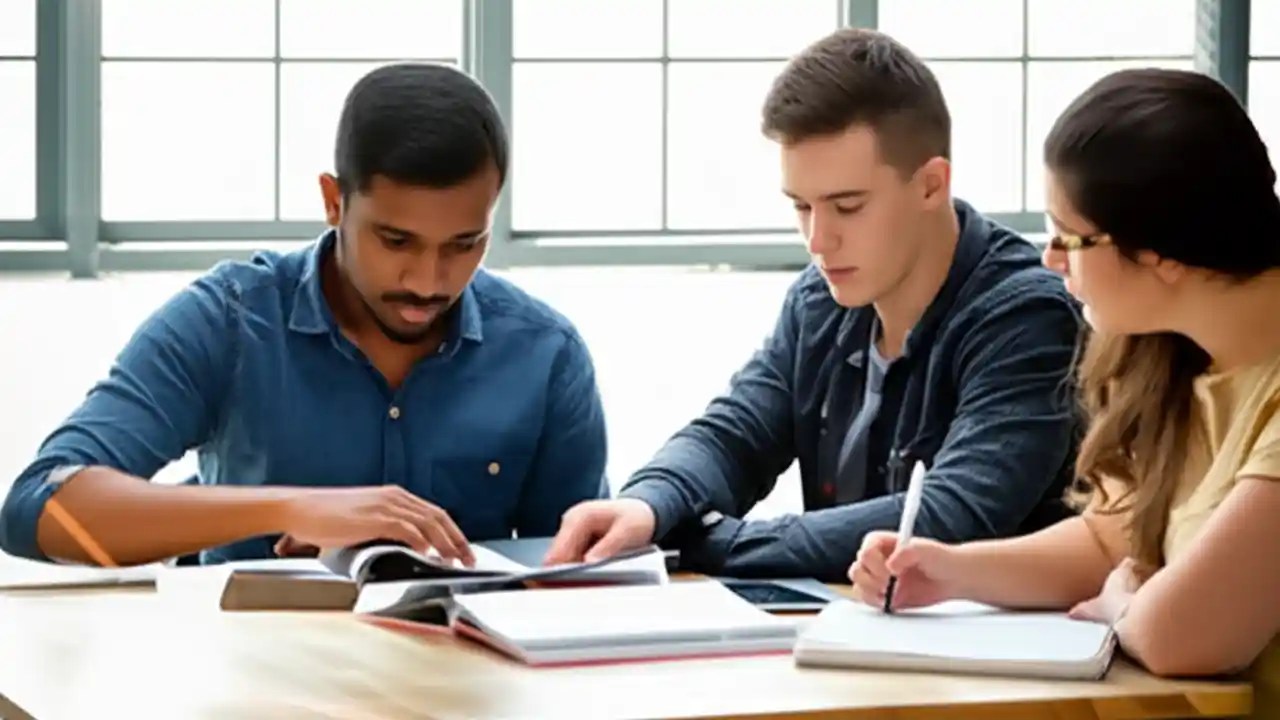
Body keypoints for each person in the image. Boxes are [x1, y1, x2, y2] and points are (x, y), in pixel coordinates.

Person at [0, 63, 608, 567]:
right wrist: (289, 507)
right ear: (333, 201)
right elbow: (37, 507)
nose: (427, 281)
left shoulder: (544, 353)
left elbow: (576, 566)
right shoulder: (230, 322)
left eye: (463, 244)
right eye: (396, 241)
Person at [546, 28, 1082, 581]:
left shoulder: (1028, 317)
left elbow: (949, 517)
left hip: (989, 654)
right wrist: (651, 505)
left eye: (847, 207)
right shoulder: (820, 298)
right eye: (802, 206)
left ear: (930, 185)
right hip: (845, 642)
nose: (818, 241)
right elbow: (739, 432)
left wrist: (711, 543)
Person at [848, 68, 1280, 715]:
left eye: (1069, 235)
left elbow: (1179, 636)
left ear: (1161, 251)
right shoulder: (1175, 358)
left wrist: (1122, 605)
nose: (1050, 258)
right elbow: (1114, 540)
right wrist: (948, 570)